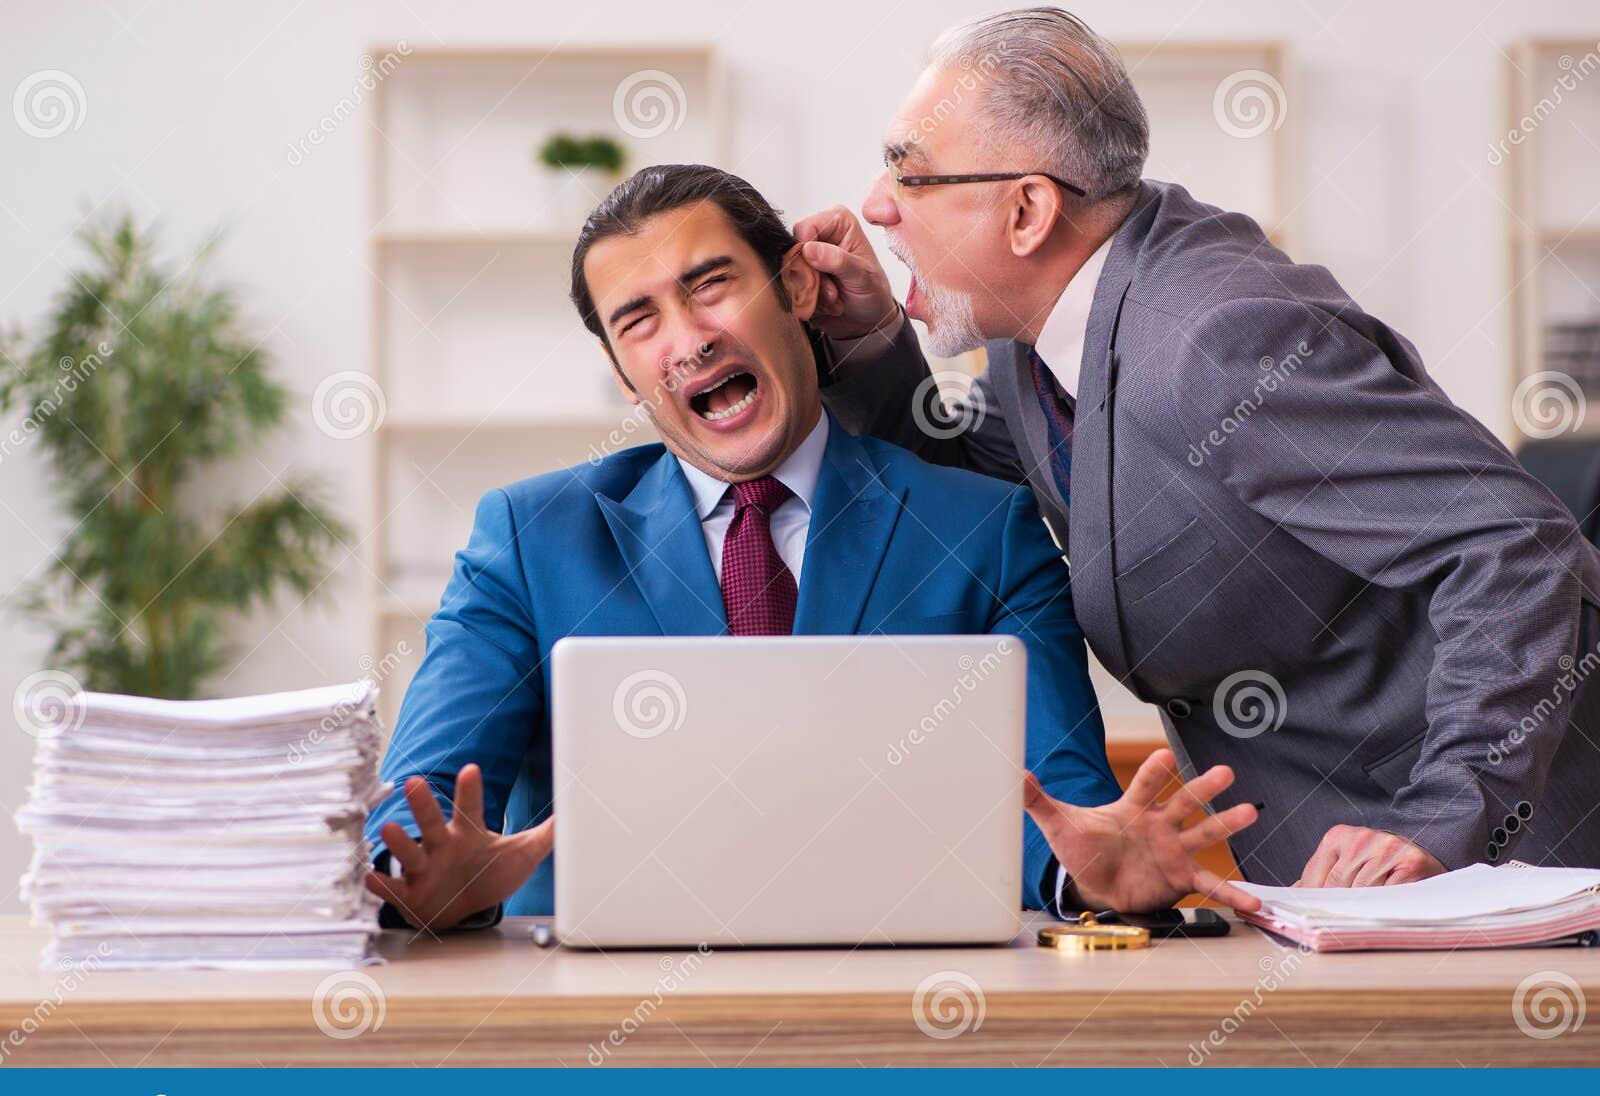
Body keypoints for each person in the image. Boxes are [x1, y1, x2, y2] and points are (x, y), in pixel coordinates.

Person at [795, 7, 1600, 888]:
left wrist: (1450, 811)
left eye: (909, 177)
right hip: (1336, 871)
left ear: (1027, 211)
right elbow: (984, 504)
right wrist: (872, 342)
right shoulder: (1036, 330)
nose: (877, 207)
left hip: (1517, 860)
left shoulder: (1217, 341)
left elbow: (1513, 546)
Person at [362, 164, 1260, 931]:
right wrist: (432, 888)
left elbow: (1054, 807)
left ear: (794, 288)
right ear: (623, 372)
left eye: (710, 284)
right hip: (605, 1031)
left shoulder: (984, 529)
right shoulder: (531, 538)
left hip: (902, 1027)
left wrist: (1085, 875)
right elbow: (415, 815)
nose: (688, 338)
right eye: (638, 321)